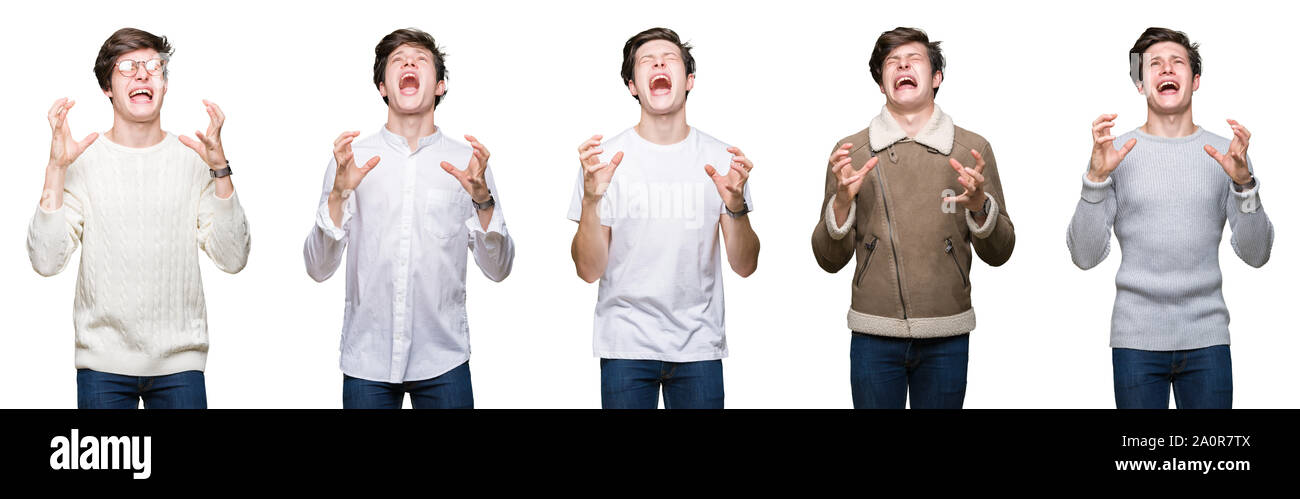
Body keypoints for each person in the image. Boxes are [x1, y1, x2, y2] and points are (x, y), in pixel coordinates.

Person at [27, 27, 250, 409]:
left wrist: (220, 169)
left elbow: (233, 259)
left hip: (181, 365)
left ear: (164, 84)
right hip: (102, 365)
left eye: (153, 67)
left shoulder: (193, 159)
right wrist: (55, 169)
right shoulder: (83, 162)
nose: (143, 74)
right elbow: (46, 262)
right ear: (107, 88)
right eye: (128, 67)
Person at [304, 28, 514, 409]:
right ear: (383, 86)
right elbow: (317, 268)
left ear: (440, 84)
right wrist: (337, 195)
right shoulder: (351, 160)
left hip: (444, 361)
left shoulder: (469, 163)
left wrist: (483, 200)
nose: (409, 63)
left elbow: (499, 269)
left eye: (420, 59)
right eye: (398, 60)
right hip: (367, 361)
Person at [1067, 27, 1273, 409]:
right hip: (1135, 341)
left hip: (1208, 340)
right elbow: (1084, 256)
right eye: (1154, 64)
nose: (1166, 70)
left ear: (1195, 81)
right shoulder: (1115, 154)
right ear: (1140, 84)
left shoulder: (1226, 155)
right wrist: (1095, 178)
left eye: (1177, 62)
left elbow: (1257, 253)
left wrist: (1244, 184)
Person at [811, 27, 1014, 409]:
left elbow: (1001, 251)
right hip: (873, 332)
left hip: (946, 332)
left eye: (914, 59)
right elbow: (827, 259)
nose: (902, 65)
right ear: (881, 82)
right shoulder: (850, 153)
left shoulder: (972, 149)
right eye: (892, 62)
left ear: (936, 78)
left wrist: (978, 206)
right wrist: (841, 202)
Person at [568, 27, 760, 409]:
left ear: (689, 80)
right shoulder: (603, 162)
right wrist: (591, 200)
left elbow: (745, 266)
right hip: (625, 345)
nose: (658, 62)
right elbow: (588, 270)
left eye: (669, 57)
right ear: (632, 85)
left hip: (699, 347)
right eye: (646, 60)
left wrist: (736, 207)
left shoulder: (722, 160)